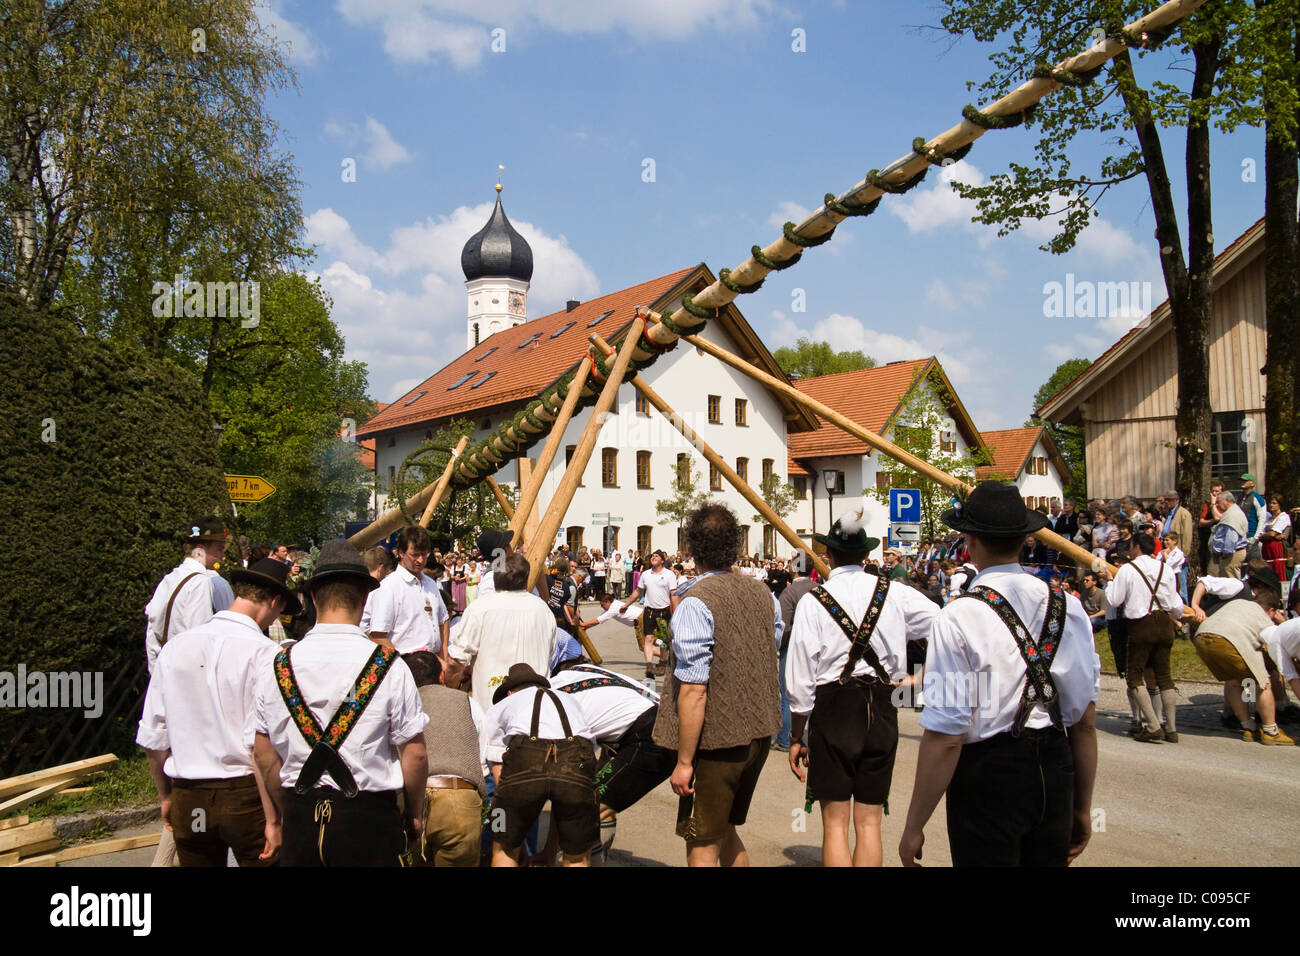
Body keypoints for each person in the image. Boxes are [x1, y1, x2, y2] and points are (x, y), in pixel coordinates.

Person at [899, 481, 1100, 867]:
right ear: (1026, 539)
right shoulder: (1069, 607)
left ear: (969, 541)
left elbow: (946, 737)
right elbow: (1085, 722)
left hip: (990, 777)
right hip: (1056, 770)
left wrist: (914, 825)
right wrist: (1081, 806)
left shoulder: (958, 616)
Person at [250, 539, 429, 867]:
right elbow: (414, 753)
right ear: (364, 598)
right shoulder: (389, 666)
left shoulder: (277, 666)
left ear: (314, 598)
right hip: (369, 823)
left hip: (300, 820)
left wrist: (282, 810)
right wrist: (414, 812)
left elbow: (262, 753)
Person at [787, 508, 939, 867]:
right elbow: (947, 626)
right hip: (882, 707)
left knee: (835, 824)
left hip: (834, 708)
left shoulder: (813, 601)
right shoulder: (896, 593)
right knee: (869, 823)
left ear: (828, 554)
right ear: (867, 555)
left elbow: (800, 678)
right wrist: (921, 677)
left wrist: (796, 735)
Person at [137, 557, 300, 867]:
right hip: (244, 799)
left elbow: (153, 739)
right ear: (274, 601)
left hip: (190, 798)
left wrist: (167, 796)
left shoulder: (175, 648)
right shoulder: (266, 655)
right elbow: (260, 750)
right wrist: (274, 819)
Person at [652, 503, 783, 867]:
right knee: (725, 830)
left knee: (702, 841)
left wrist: (683, 761)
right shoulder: (764, 595)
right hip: (757, 735)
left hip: (717, 744)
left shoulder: (696, 603)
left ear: (692, 550)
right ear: (736, 547)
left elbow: (695, 689)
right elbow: (767, 648)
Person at [548, 660, 673, 863]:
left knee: (584, 810)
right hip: (663, 722)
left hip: (649, 737)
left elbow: (563, 785)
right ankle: (596, 858)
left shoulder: (552, 707)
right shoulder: (580, 671)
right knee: (591, 803)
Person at [482, 663, 599, 867]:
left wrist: (507, 820)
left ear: (509, 692)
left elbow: (498, 770)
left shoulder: (501, 706)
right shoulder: (569, 699)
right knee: (577, 854)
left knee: (504, 848)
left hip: (526, 755)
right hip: (577, 758)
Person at [403, 651, 488, 867]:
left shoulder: (399, 705)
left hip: (409, 801)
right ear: (441, 677)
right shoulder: (467, 702)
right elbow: (484, 757)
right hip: (459, 798)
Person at [1191, 569, 1294, 745]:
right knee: (1263, 683)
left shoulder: (1237, 603)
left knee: (1235, 681)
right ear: (1270, 610)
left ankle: (1248, 727)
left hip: (1202, 637)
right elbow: (1274, 644)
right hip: (1230, 640)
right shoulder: (1262, 616)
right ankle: (1270, 731)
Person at [1106, 532, 1185, 742]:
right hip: (1165, 623)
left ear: (1137, 547)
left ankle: (1152, 725)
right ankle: (1172, 729)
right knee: (1164, 676)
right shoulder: (1165, 568)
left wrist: (1110, 581)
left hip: (1141, 624)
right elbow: (1176, 602)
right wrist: (1178, 617)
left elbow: (1115, 600)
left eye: (1131, 546)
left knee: (1134, 676)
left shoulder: (1127, 570)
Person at [449, 551, 556, 704]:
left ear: (495, 578)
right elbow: (550, 654)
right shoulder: (543, 610)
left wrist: (449, 693)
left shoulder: (479, 607)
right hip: (536, 706)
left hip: (491, 708)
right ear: (526, 580)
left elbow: (457, 661)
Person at [144, 518, 235, 676]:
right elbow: (199, 637)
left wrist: (156, 671)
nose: (222, 555)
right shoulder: (200, 581)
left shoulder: (171, 577)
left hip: (164, 670)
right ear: (200, 550)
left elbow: (151, 633)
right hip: (185, 674)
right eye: (219, 548)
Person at [367, 525, 450, 659]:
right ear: (401, 553)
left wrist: (443, 656)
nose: (420, 560)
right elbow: (378, 636)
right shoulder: (389, 587)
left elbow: (443, 620)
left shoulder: (430, 584)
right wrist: (400, 666)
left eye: (424, 554)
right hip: (406, 662)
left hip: (434, 663)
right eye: (415, 555)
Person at [776, 559, 817, 752]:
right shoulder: (820, 589)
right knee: (813, 691)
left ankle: (786, 738)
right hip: (818, 647)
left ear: (794, 569)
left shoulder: (790, 592)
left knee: (787, 693)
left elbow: (783, 626)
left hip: (793, 646)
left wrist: (780, 646)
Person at [620, 550, 678, 679]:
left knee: (663, 642)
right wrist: (626, 605)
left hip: (663, 612)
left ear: (662, 561)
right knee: (648, 639)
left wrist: (678, 611)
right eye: (652, 556)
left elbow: (674, 594)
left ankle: (662, 663)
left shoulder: (669, 575)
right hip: (649, 612)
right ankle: (649, 667)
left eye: (656, 556)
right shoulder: (645, 574)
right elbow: (637, 591)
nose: (653, 557)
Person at [1208, 490, 1250, 579]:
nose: (1217, 505)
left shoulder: (1233, 515)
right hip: (1229, 555)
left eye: (1218, 502)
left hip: (1231, 556)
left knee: (1231, 583)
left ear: (1226, 500)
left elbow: (1231, 538)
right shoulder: (1232, 512)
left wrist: (1226, 552)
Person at [1261, 495, 1290, 583]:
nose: (1271, 505)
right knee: (1268, 569)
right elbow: (1261, 534)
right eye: (1270, 503)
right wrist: (1269, 536)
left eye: (1274, 503)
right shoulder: (1269, 519)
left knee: (1278, 569)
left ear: (1280, 505)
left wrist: (1270, 535)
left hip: (1277, 548)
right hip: (1266, 547)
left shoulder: (1283, 517)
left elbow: (1272, 533)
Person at [1240, 474, 1269, 560]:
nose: (1242, 482)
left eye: (1245, 481)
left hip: (1252, 537)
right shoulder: (1240, 498)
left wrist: (1255, 538)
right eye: (1242, 480)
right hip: (1241, 538)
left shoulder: (1258, 498)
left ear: (1252, 484)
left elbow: (1262, 519)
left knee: (1255, 566)